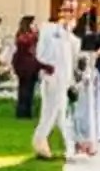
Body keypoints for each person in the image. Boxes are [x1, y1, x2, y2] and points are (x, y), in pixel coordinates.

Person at [33, 13, 77, 160]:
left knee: (58, 114)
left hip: (58, 80)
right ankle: (41, 140)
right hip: (54, 80)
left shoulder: (64, 37)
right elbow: (48, 57)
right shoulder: (54, 34)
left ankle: (68, 147)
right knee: (52, 112)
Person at [71, 14, 100, 156]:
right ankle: (88, 141)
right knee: (90, 109)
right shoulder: (95, 38)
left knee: (79, 109)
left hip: (80, 76)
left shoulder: (74, 37)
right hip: (89, 76)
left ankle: (79, 140)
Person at [12, 15, 40, 119]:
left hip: (25, 64)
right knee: (26, 88)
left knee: (26, 88)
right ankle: (24, 111)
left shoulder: (23, 34)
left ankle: (24, 111)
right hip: (27, 64)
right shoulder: (26, 36)